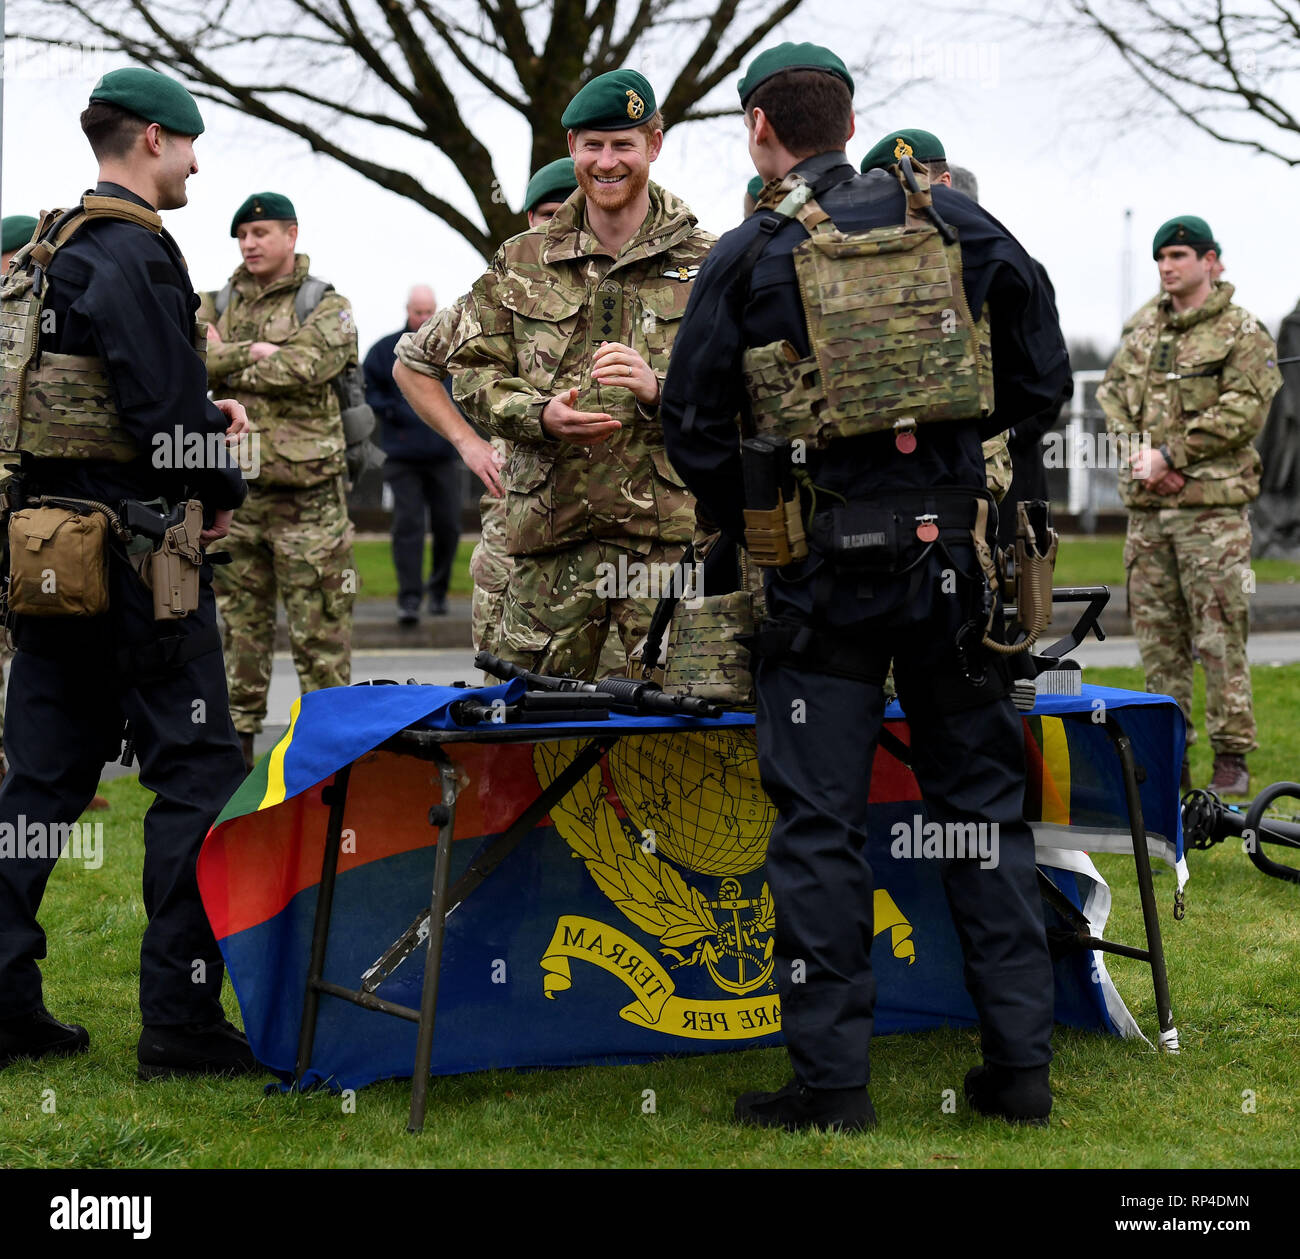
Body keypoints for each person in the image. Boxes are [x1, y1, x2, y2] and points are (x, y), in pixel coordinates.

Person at [661, 42, 1071, 1131]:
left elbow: (689, 422)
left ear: (761, 125)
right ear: (849, 120)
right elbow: (1042, 379)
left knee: (818, 829)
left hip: (818, 578)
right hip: (953, 570)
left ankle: (833, 1089)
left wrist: (758, 506)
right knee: (980, 819)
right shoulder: (958, 226)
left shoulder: (750, 248)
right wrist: (944, 454)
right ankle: (1019, 1072)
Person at [0, 67, 257, 1076]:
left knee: (39, 788)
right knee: (196, 779)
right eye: (191, 145)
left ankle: (8, 1002)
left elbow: (78, 402)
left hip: (47, 556)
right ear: (154, 139)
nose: (196, 165)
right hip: (145, 561)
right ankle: (183, 1024)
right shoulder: (135, 253)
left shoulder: (40, 255)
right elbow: (162, 422)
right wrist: (223, 470)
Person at [446, 71, 713, 680]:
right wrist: (535, 414)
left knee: (681, 738)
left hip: (665, 551)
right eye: (593, 145)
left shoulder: (707, 261)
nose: (607, 161)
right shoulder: (519, 261)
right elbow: (471, 370)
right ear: (571, 150)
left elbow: (743, 390)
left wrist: (660, 391)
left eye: (624, 144)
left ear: (654, 144)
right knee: (529, 735)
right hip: (551, 553)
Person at [1098, 216, 1281, 796]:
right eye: (1160, 258)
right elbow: (1111, 401)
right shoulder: (1142, 331)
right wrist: (1142, 458)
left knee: (1220, 633)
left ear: (1211, 261)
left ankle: (1232, 757)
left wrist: (1171, 457)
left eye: (1178, 255)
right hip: (1150, 515)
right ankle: (1169, 754)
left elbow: (1244, 410)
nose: (1167, 266)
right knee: (1158, 641)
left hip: (1213, 517)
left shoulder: (1242, 332)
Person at [393, 158, 581, 658]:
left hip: (611, 534)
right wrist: (467, 443)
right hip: (517, 525)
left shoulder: (630, 289)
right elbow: (411, 365)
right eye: (546, 214)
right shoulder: (500, 293)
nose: (558, 225)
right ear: (528, 221)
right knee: (508, 691)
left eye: (570, 211)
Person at [206, 192, 357, 768]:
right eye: (242, 234)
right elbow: (192, 357)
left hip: (310, 501)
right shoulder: (212, 302)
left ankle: (331, 763)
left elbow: (310, 365)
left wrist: (232, 357)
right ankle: (235, 761)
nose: (249, 244)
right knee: (237, 636)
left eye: (261, 232)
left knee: (320, 636)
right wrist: (257, 349)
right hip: (236, 499)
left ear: (291, 235)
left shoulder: (327, 303)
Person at [364, 285, 464, 624]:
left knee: (448, 525)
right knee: (408, 525)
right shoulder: (384, 350)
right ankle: (409, 599)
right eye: (417, 312)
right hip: (402, 456)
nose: (422, 318)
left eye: (428, 312)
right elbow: (369, 389)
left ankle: (438, 591)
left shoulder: (452, 350)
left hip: (442, 454)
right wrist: (395, 411)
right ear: (408, 310)